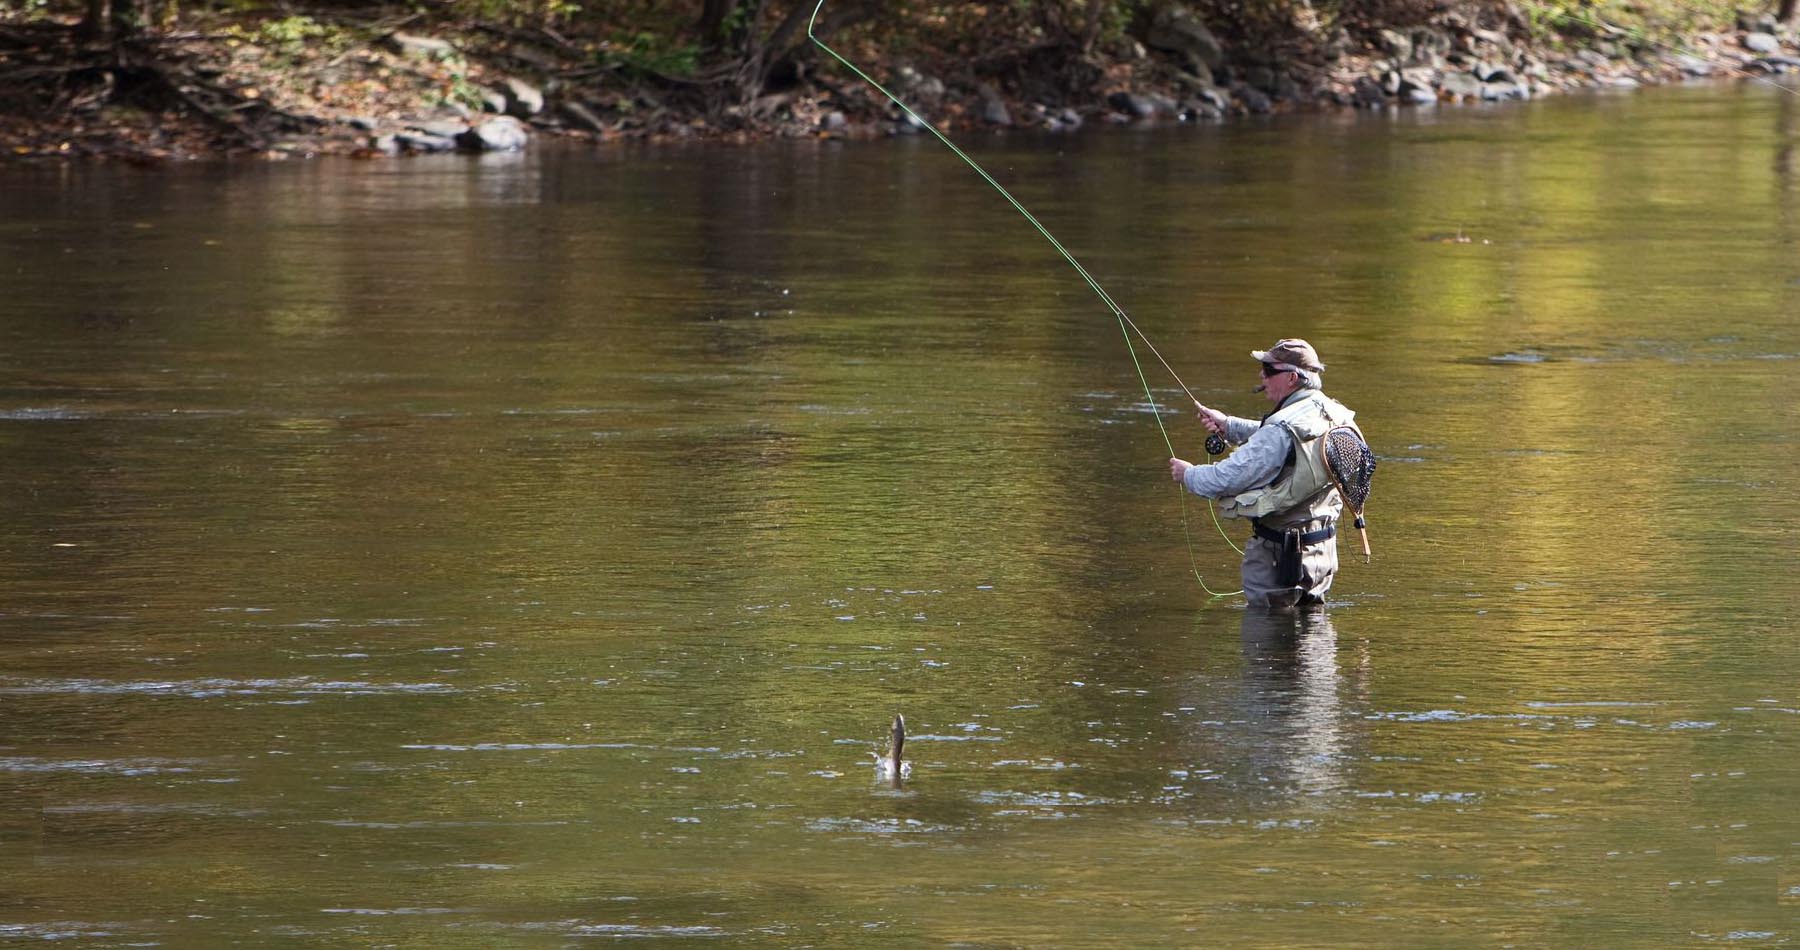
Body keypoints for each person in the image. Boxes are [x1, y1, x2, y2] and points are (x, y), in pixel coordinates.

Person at [1167, 338, 1360, 610]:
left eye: (1269, 370)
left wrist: (1188, 474)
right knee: (1313, 643)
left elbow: (1227, 478)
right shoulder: (1334, 413)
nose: (1262, 375)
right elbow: (1291, 444)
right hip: (1322, 554)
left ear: (1292, 378)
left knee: (1267, 640)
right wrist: (1229, 426)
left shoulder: (1281, 428)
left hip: (1278, 559)